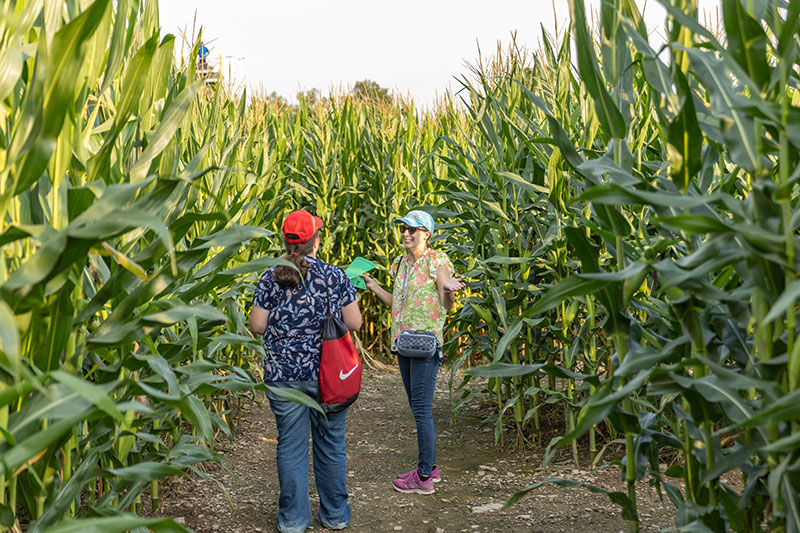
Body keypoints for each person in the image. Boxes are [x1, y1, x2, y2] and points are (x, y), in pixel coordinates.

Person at [250, 209, 362, 533]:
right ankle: (335, 515)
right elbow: (353, 323)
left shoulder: (270, 276)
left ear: (286, 241)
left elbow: (257, 325)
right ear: (316, 240)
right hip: (327, 377)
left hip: (283, 377)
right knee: (330, 445)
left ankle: (294, 521)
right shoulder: (334, 276)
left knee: (290, 445)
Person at [361, 209, 464, 495]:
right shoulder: (400, 264)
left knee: (421, 411)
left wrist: (448, 289)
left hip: (425, 345)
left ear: (426, 234)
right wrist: (374, 286)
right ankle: (429, 467)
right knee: (417, 408)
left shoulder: (437, 260)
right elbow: (397, 302)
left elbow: (446, 298)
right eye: (403, 228)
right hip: (403, 342)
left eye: (413, 229)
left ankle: (422, 478)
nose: (406, 234)